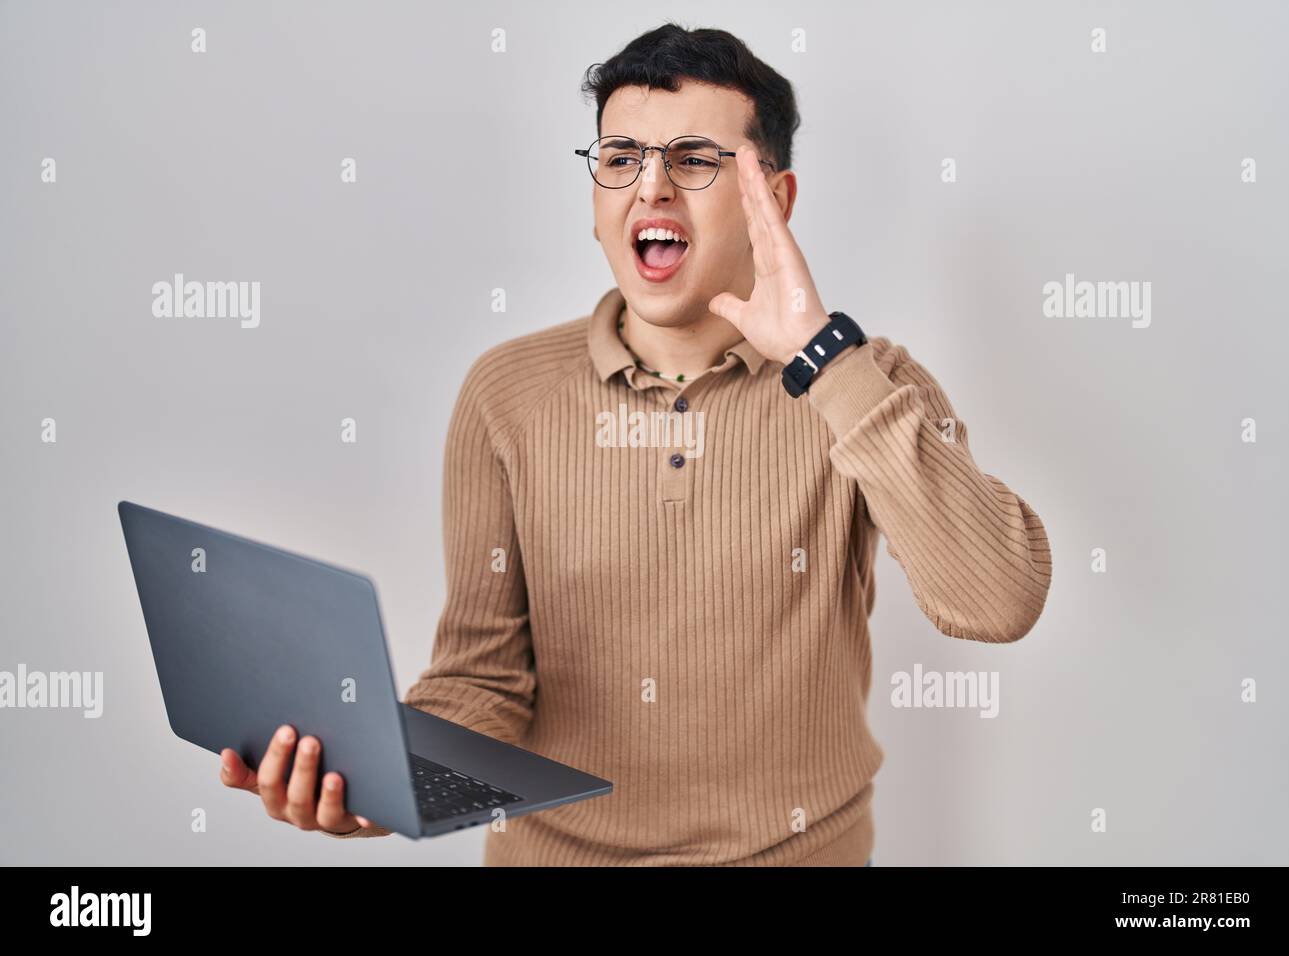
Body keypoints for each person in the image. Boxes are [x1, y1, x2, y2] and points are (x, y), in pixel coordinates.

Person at [220, 22, 1052, 865]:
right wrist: (380, 782)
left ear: (778, 202)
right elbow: (484, 679)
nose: (650, 188)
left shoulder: (863, 381)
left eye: (693, 159)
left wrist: (822, 358)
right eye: (620, 159)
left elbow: (998, 601)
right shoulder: (506, 393)